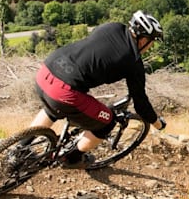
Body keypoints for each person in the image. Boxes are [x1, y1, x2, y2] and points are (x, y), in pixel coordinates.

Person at [30, 10, 166, 167]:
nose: (151, 46)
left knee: (52, 108)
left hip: (47, 70)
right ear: (143, 41)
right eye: (152, 42)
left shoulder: (112, 27)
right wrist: (158, 124)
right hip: (64, 91)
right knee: (107, 123)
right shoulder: (133, 61)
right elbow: (141, 104)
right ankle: (71, 158)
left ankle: (19, 148)